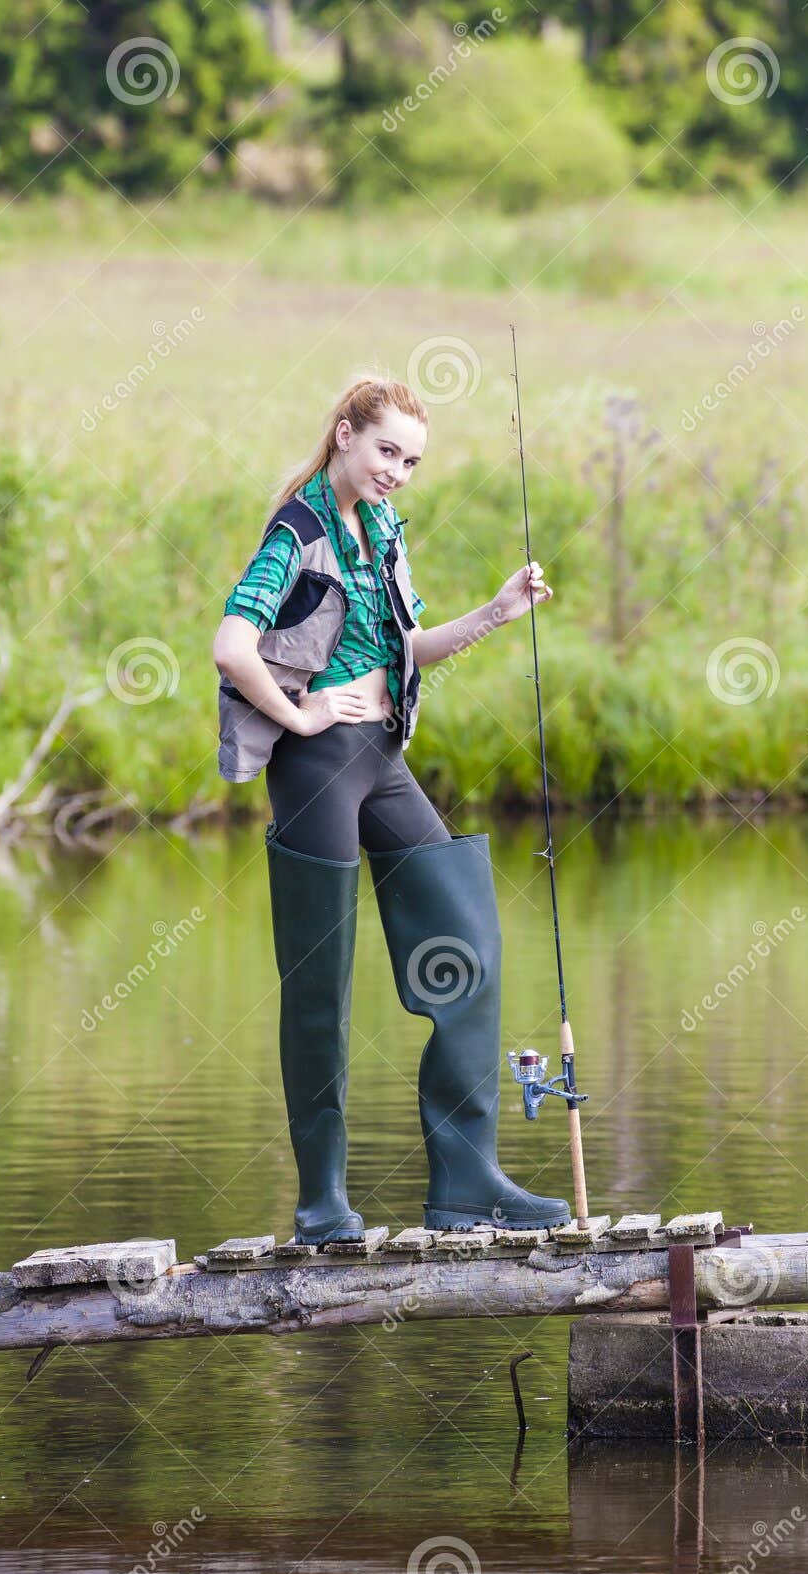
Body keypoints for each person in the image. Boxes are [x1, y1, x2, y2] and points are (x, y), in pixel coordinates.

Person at [211, 374, 572, 1246]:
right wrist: (297, 715)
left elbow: (404, 649)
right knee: (319, 992)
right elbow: (231, 646)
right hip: (316, 769)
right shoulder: (298, 528)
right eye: (386, 451)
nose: (398, 471)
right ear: (343, 434)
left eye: (411, 460)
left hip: (381, 760)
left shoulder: (381, 530)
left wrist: (496, 611)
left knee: (468, 945)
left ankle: (464, 1180)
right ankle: (322, 1205)